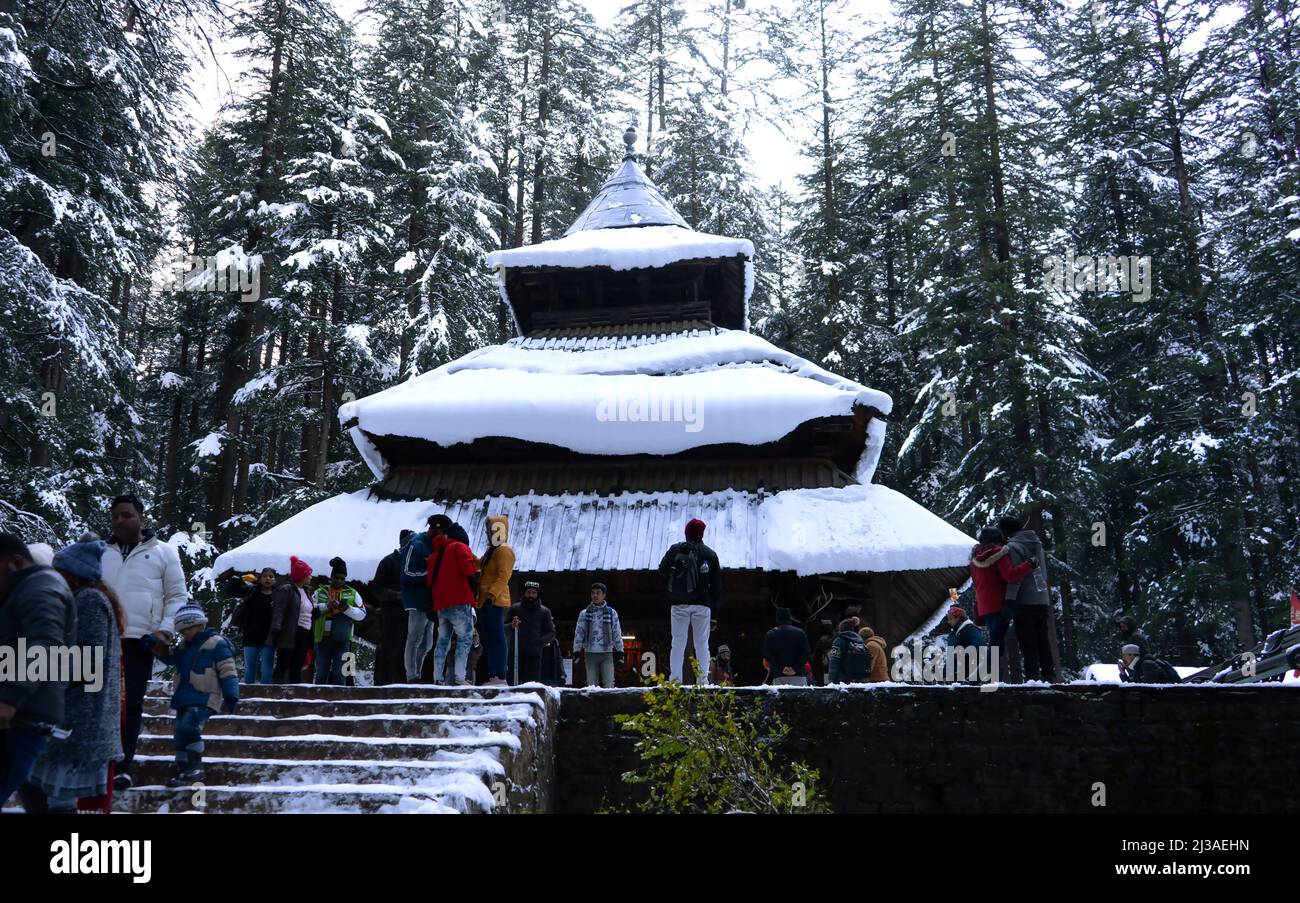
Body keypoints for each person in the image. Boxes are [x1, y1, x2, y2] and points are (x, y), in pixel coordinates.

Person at [20, 539, 123, 813]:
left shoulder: (89, 602)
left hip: (80, 718)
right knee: (51, 792)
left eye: (59, 570)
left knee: (61, 795)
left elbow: (85, 664)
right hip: (77, 715)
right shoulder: (85, 599)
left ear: (73, 573)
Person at [99, 493, 188, 791]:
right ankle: (98, 763)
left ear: (141, 517)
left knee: (131, 705)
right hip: (101, 640)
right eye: (115, 516)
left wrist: (164, 631)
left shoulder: (164, 553)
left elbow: (177, 596)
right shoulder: (100, 552)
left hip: (140, 641)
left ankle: (123, 765)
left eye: (126, 515)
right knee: (98, 702)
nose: (120, 520)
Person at [0, 533, 76, 807]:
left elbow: (46, 645)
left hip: (23, 716)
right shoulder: (25, 589)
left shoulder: (42, 587)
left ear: (15, 562)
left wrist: (10, 698)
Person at [144, 603, 238, 787]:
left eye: (188, 629)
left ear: (199, 625)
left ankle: (195, 765)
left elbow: (228, 669)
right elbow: (170, 657)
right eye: (181, 630)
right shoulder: (184, 646)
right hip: (183, 696)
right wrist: (154, 646)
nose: (184, 633)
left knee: (189, 725)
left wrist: (231, 695)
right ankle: (183, 767)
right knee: (179, 731)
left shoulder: (216, 643)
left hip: (205, 695)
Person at [658, 518, 723, 683]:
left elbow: (661, 570)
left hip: (678, 603)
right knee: (701, 644)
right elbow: (717, 587)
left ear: (686, 533)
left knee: (678, 643)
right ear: (702, 534)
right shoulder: (710, 554)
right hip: (702, 605)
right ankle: (702, 682)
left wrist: (671, 593)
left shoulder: (675, 549)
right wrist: (714, 614)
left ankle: (675, 680)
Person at [997, 513, 1055, 682]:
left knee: (1027, 641)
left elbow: (1016, 578)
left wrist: (1009, 600)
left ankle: (1032, 677)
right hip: (1042, 599)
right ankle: (1048, 675)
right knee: (1043, 639)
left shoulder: (1014, 547)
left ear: (1005, 531)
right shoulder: (1036, 544)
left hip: (1024, 601)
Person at [968, 526, 1035, 661]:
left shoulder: (974, 560)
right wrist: (1028, 564)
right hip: (999, 605)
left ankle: (989, 676)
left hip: (984, 607)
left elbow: (975, 584)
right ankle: (986, 676)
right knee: (997, 644)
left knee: (996, 641)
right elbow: (1010, 576)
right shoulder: (999, 554)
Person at [427, 519, 480, 686]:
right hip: (460, 601)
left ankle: (437, 677)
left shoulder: (435, 554)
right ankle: (459, 678)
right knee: (465, 639)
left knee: (443, 640)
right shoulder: (459, 547)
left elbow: (429, 581)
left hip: (441, 604)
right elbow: (468, 570)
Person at [402, 516, 442, 682]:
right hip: (416, 600)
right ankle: (411, 675)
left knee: (427, 643)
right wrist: (429, 574)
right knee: (414, 638)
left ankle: (417, 672)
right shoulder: (416, 544)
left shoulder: (435, 546)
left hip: (430, 601)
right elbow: (407, 572)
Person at [314, 558, 365, 685]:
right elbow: (311, 610)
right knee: (321, 673)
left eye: (343, 578)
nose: (340, 581)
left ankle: (340, 702)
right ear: (331, 577)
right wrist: (326, 606)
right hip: (323, 639)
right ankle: (317, 702)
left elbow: (362, 614)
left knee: (340, 674)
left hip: (343, 640)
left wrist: (346, 608)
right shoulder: (320, 592)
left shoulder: (353, 593)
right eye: (337, 577)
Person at [476, 515, 515, 687]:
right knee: (489, 638)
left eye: (491, 530)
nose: (487, 533)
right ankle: (493, 675)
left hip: (495, 601)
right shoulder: (491, 551)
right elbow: (478, 565)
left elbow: (503, 577)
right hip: (485, 600)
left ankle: (500, 675)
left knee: (497, 637)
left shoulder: (504, 551)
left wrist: (490, 597)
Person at [371, 531, 411, 686]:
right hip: (391, 615)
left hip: (409, 615)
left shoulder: (415, 562)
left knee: (404, 651)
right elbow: (376, 588)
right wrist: (395, 595)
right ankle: (383, 684)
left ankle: (401, 683)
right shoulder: (389, 561)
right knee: (389, 649)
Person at [268, 556, 315, 683]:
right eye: (309, 574)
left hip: (304, 633)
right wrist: (277, 629)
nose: (311, 577)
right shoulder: (286, 589)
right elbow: (279, 610)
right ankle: (274, 695)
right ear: (303, 576)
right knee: (283, 664)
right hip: (290, 632)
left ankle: (295, 696)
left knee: (298, 665)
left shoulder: (306, 591)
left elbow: (309, 612)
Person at [573, 582, 624, 688]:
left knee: (609, 684)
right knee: (591, 685)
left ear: (604, 595)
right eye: (593, 593)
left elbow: (616, 632)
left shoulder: (611, 612)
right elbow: (579, 633)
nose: (595, 595)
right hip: (590, 653)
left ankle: (609, 704)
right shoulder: (584, 613)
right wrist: (576, 651)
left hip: (606, 652)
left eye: (598, 593)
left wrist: (620, 650)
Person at [231, 568, 277, 684]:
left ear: (275, 580)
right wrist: (241, 578)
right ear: (260, 578)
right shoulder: (252, 591)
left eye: (271, 576)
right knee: (250, 666)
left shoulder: (278, 595)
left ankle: (265, 695)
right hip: (250, 636)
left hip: (268, 638)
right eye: (265, 576)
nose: (268, 579)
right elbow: (231, 590)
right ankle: (248, 693)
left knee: (267, 667)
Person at [507, 581, 556, 684]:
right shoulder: (515, 609)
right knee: (513, 682)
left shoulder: (544, 611)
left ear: (537, 595)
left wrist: (540, 642)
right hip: (516, 652)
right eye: (528, 592)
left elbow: (551, 632)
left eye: (534, 593)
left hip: (534, 654)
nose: (531, 595)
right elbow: (503, 627)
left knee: (531, 684)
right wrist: (512, 625)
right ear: (524, 593)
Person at [763, 608, 811, 686]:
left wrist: (781, 668)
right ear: (790, 618)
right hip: (799, 676)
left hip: (779, 676)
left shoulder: (770, 635)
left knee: (781, 697)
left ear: (777, 619)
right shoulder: (800, 633)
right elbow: (806, 653)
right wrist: (795, 668)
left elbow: (768, 656)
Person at [827, 617, 872, 684]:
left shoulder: (839, 641)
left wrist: (831, 679)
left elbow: (834, 661)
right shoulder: (860, 641)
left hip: (842, 680)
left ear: (841, 629)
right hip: (859, 679)